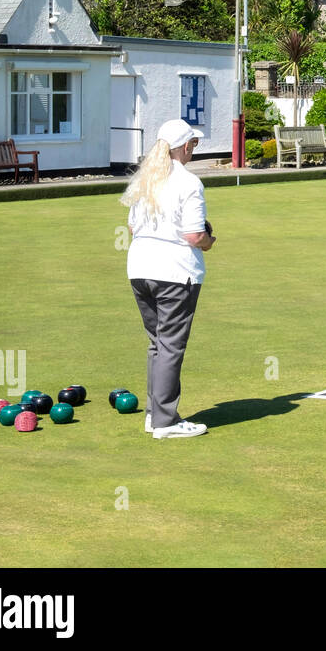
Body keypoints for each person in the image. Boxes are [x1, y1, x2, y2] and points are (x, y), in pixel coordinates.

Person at [120, 119, 215, 440]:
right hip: (175, 272)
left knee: (158, 344)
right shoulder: (189, 182)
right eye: (194, 144)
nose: (194, 149)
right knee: (171, 346)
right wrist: (209, 242)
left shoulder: (144, 180)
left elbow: (133, 228)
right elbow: (193, 235)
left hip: (139, 268)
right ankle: (165, 422)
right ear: (185, 146)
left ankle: (154, 415)